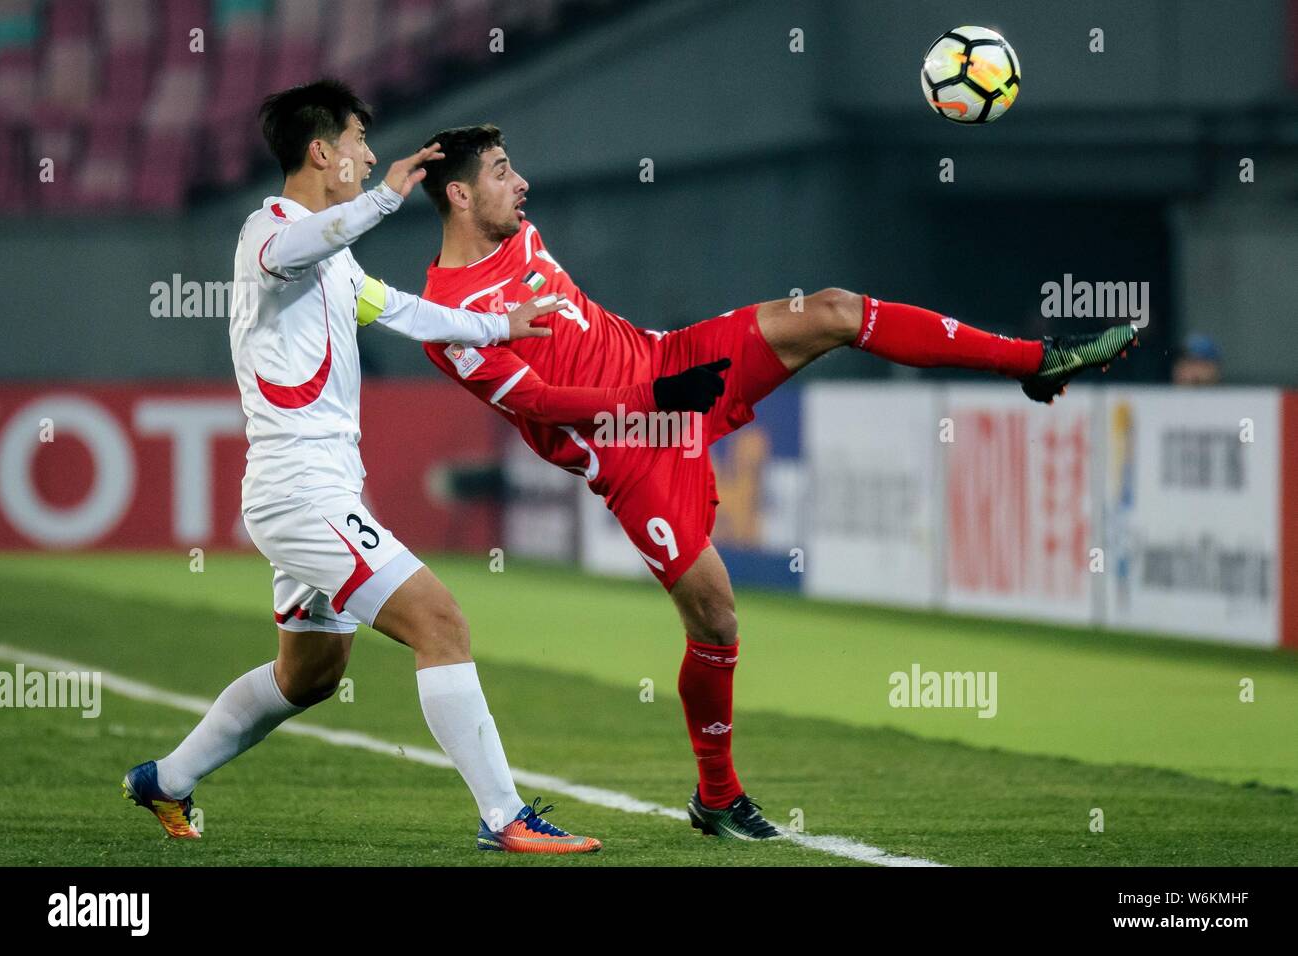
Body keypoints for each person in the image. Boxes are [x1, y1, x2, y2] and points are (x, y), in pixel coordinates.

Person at [416, 124, 1135, 840]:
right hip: (632, 447)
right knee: (717, 621)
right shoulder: (447, 319)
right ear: (458, 193)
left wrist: (662, 385)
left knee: (833, 309)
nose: (522, 183)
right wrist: (653, 404)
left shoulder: (518, 235)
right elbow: (537, 403)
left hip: (670, 362)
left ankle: (1033, 361)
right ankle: (717, 796)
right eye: (503, 171)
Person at [123, 82, 601, 855]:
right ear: (322, 152)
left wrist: (500, 325)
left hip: (319, 488)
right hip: (299, 489)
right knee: (441, 622)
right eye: (358, 141)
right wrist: (385, 199)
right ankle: (503, 816)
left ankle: (166, 780)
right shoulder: (268, 236)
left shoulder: (335, 264)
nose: (372, 155)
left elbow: (404, 310)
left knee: (308, 676)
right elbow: (300, 249)